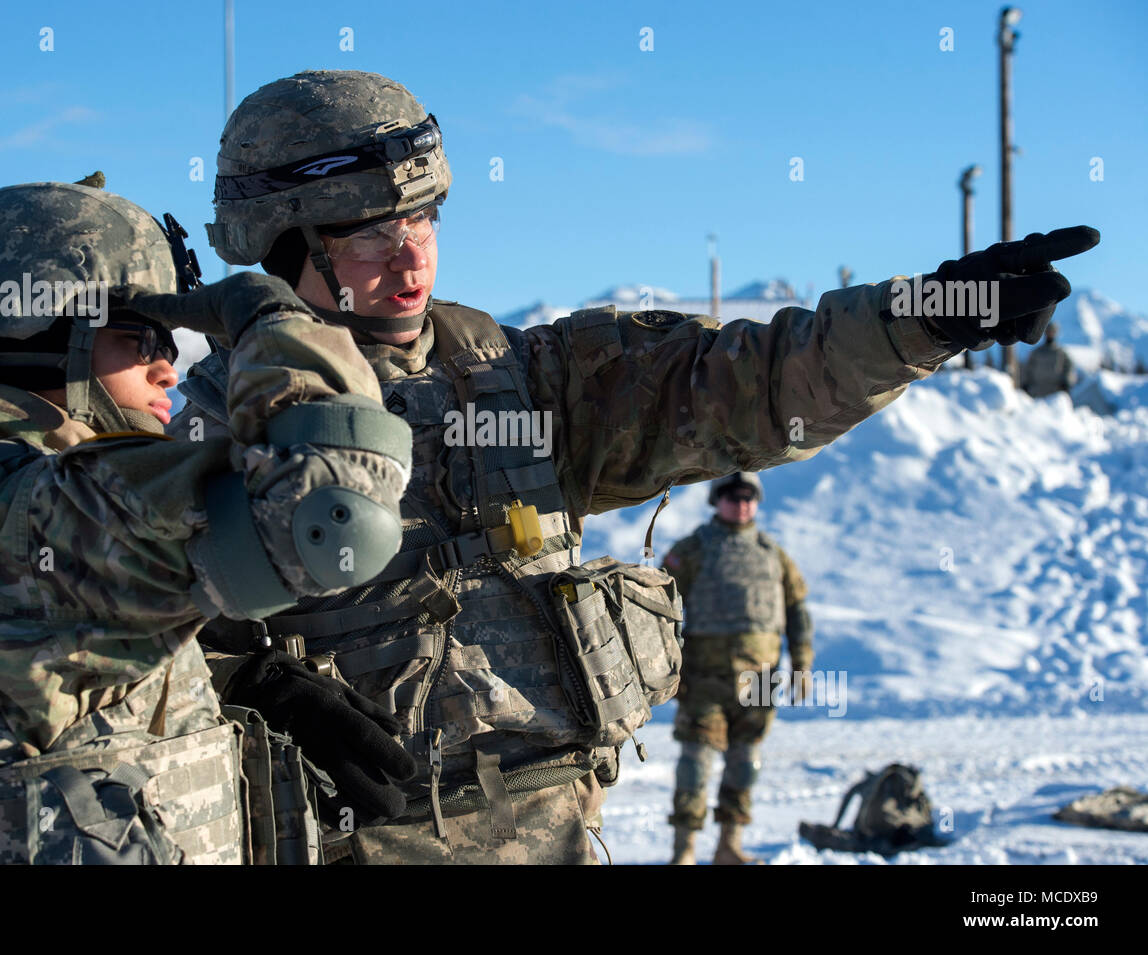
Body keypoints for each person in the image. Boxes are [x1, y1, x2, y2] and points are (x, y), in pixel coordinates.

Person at [173, 68, 1098, 864]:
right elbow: (109, 649)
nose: (412, 256)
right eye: (370, 232)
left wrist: (923, 320)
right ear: (282, 245)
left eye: (424, 216)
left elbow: (749, 384)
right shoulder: (210, 432)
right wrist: (244, 682)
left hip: (559, 831)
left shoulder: (520, 380)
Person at [0, 180, 415, 864]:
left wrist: (240, 682)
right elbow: (341, 517)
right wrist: (273, 320)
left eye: (173, 346)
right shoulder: (41, 519)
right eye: (138, 337)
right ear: (34, 341)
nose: (168, 370)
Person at [662, 472, 811, 865]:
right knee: (695, 764)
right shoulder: (692, 549)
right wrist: (664, 668)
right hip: (703, 679)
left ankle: (730, 844)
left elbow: (796, 610)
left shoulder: (772, 553)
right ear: (716, 499)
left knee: (746, 764)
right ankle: (684, 852)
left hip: (760, 681)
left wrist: (803, 663)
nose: (741, 503)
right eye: (732, 495)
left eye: (749, 496)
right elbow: (660, 610)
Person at [1020, 321, 1078, 397]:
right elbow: (1026, 369)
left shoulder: (1061, 353)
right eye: (1048, 331)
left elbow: (1069, 369)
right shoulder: (1036, 353)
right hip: (1036, 393)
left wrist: (1066, 382)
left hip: (1055, 393)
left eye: (1052, 331)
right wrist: (1025, 384)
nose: (1050, 333)